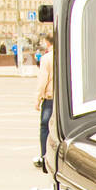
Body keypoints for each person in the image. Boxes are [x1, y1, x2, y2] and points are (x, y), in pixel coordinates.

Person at [35, 34, 54, 167]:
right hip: (65, 99)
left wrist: (38, 98)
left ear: (47, 43)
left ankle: (44, 156)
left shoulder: (46, 58)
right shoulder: (68, 55)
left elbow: (43, 80)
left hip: (50, 97)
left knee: (45, 126)